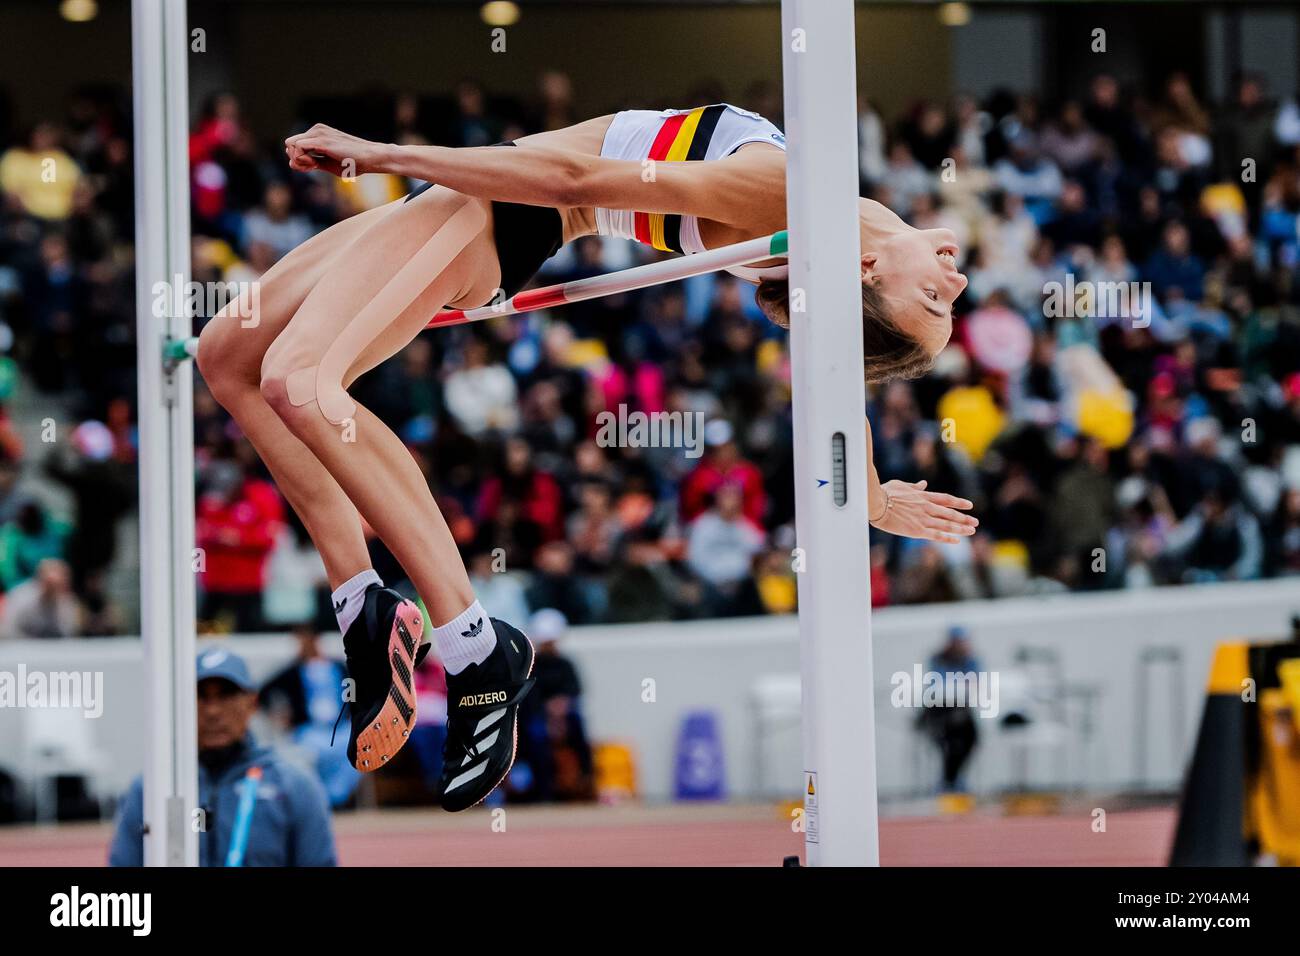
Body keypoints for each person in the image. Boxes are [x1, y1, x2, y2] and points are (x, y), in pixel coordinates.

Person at [196, 101, 977, 812]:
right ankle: (362, 603)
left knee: (300, 382)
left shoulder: (791, 199)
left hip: (502, 207)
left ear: (865, 274)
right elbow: (842, 382)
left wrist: (383, 150)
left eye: (939, 299)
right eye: (947, 299)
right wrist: (873, 498)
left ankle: (474, 649)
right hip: (484, 194)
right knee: (226, 355)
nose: (959, 276)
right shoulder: (829, 239)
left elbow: (573, 175)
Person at [109, 647, 336, 866]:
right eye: (201, 696)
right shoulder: (152, 790)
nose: (213, 711)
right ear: (181, 705)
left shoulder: (292, 786)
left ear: (251, 703)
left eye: (226, 695)